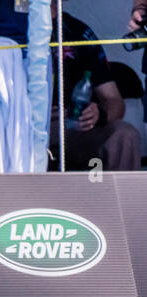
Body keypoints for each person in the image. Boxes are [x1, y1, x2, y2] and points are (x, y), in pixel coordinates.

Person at [49, 1, 141, 172]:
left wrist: (99, 114)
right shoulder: (9, 28)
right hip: (25, 128)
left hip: (72, 127)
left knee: (124, 134)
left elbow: (114, 101)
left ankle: (122, 198)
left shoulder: (77, 31)